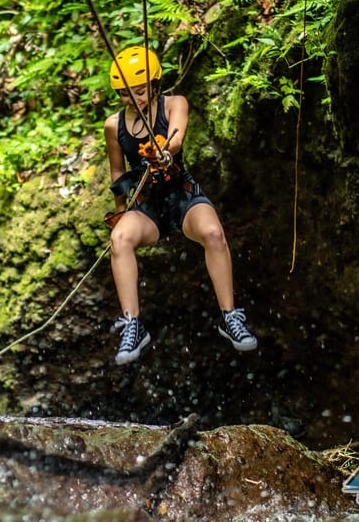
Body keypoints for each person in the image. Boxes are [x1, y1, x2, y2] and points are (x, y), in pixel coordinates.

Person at [103, 45, 258, 365]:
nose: (135, 99)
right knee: (119, 239)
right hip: (147, 205)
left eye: (141, 91)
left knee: (213, 233)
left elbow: (175, 139)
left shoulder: (175, 104)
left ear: (155, 84)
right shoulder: (113, 125)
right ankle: (133, 325)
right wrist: (120, 211)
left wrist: (163, 151)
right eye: (126, 94)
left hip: (182, 196)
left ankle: (230, 317)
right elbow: (118, 170)